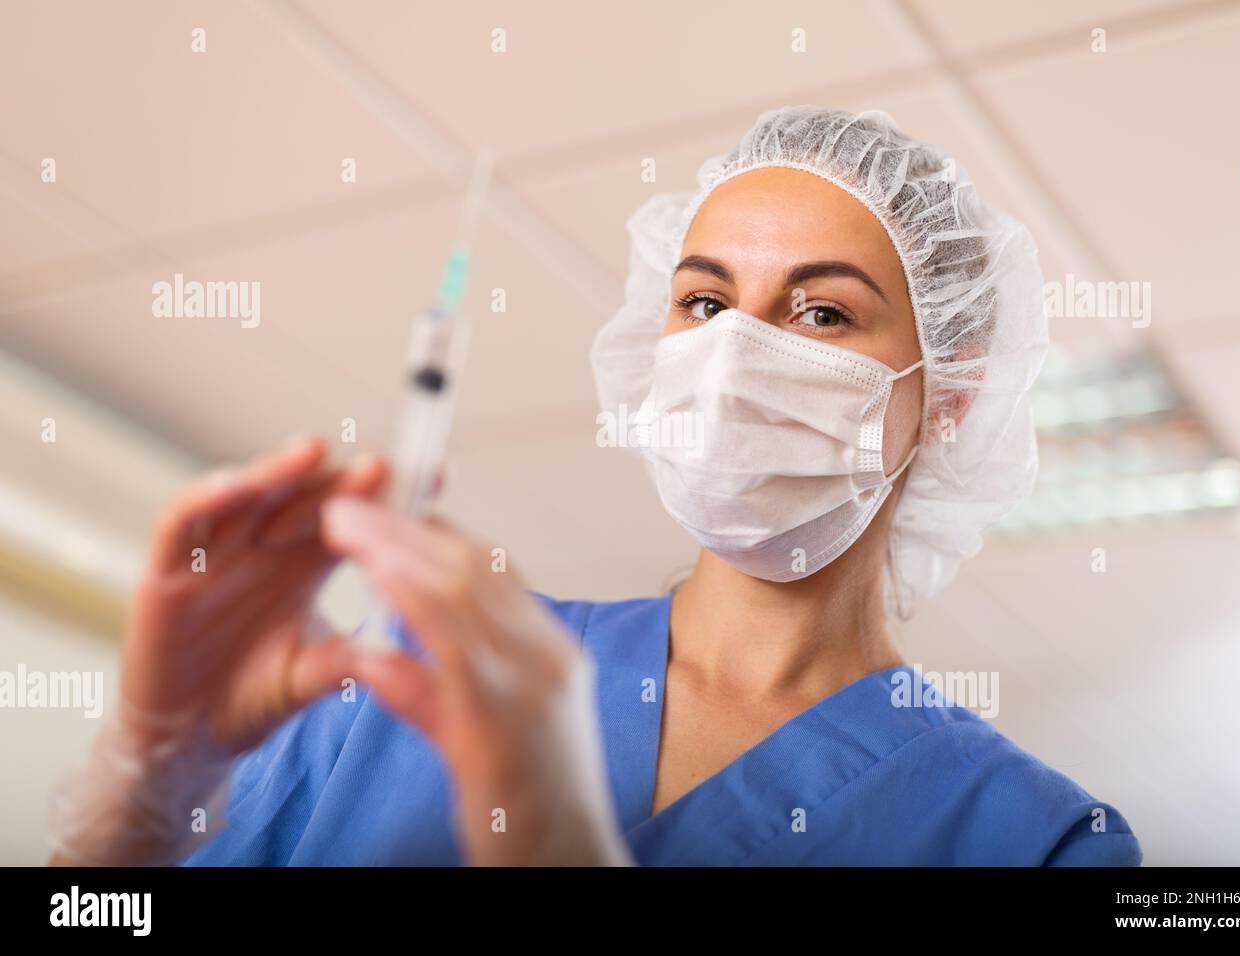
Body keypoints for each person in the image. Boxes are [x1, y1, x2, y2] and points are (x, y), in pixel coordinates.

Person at [48, 106, 1141, 867]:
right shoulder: (415, 668)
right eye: (704, 302)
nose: (733, 356)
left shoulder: (1028, 836)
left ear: (946, 395)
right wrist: (138, 797)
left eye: (820, 313)